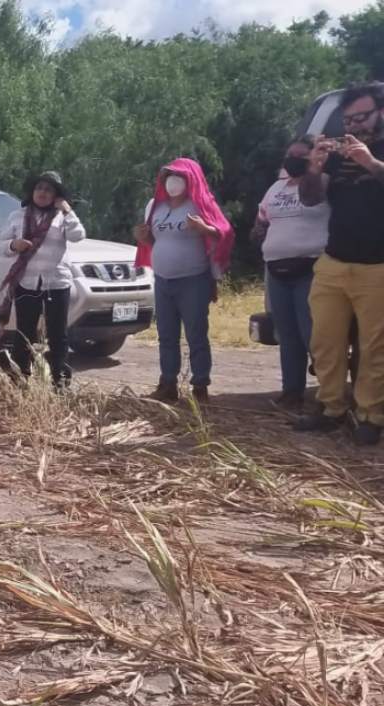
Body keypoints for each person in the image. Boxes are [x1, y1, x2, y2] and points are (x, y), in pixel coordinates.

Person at [295, 83, 384, 445]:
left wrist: (371, 163)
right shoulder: (336, 154)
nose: (354, 126)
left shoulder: (373, 153)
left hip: (377, 266)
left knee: (374, 347)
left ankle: (370, 415)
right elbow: (310, 199)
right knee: (324, 342)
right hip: (333, 261)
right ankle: (331, 408)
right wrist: (313, 169)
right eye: (348, 120)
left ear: (381, 113)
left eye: (362, 117)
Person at [134, 158, 233, 404]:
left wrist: (205, 229)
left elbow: (225, 232)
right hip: (162, 280)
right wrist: (143, 238)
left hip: (193, 280)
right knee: (166, 335)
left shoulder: (200, 204)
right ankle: (167, 384)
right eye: (168, 176)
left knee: (196, 334)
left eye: (178, 176)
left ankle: (200, 386)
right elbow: (154, 241)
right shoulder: (154, 207)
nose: (172, 181)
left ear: (191, 179)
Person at [250, 136, 329, 412]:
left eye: (300, 155)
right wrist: (263, 238)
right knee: (287, 335)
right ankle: (292, 392)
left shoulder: (323, 183)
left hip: (310, 268)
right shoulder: (276, 188)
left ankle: (329, 396)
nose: (292, 160)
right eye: (289, 155)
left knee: (313, 334)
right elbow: (261, 221)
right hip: (277, 270)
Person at [0, 172, 85, 389]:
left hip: (56, 282)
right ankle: (20, 379)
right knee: (24, 332)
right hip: (26, 281)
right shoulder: (17, 216)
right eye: (39, 188)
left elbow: (78, 235)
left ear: (56, 195)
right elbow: (2, 246)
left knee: (57, 334)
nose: (42, 193)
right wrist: (14, 245)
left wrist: (68, 211)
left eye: (48, 189)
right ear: (32, 192)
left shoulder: (62, 217)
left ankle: (60, 383)